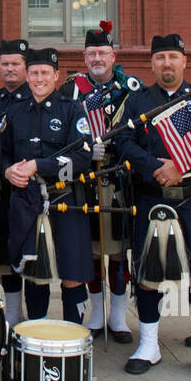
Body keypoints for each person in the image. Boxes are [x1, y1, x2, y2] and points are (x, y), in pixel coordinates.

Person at [115, 34, 191, 381]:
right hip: (151, 198)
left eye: (173, 57)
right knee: (148, 274)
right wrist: (154, 167)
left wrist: (181, 168)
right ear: (151, 64)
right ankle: (148, 344)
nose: (167, 63)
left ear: (184, 62)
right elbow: (123, 141)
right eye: (160, 57)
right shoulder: (137, 102)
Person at [63, 22, 143, 344]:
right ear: (84, 56)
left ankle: (119, 316)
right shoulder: (72, 88)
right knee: (94, 251)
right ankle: (96, 314)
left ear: (114, 55)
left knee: (119, 249)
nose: (97, 58)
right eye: (92, 53)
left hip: (120, 176)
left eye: (103, 53)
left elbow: (141, 129)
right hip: (85, 177)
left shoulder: (130, 88)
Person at [1, 47, 93, 325]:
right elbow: (2, 153)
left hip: (66, 198)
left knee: (73, 275)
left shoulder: (72, 110)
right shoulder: (15, 112)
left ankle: (74, 337)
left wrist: (40, 166)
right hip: (28, 203)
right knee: (35, 274)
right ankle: (36, 336)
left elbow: (81, 159)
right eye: (34, 73)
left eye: (45, 73)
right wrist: (7, 171)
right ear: (27, 76)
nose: (39, 78)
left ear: (56, 75)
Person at [0, 38, 31, 327]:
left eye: (16, 64)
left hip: (32, 193)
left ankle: (35, 317)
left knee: (34, 257)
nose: (10, 69)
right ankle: (14, 313)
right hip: (3, 192)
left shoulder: (36, 97)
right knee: (4, 255)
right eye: (5, 64)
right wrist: (4, 171)